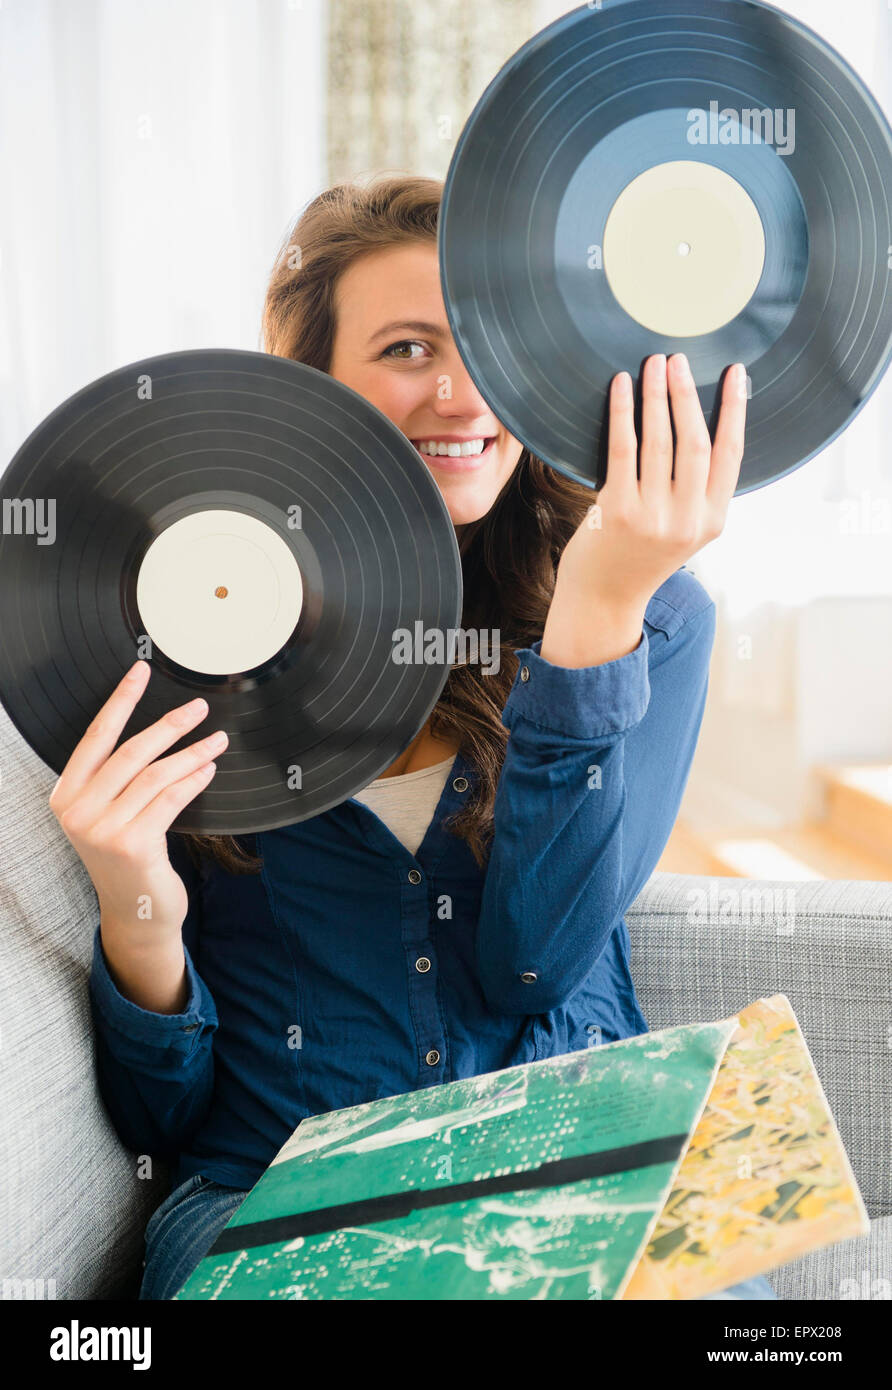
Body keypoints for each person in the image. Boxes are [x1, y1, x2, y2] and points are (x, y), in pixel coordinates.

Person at [51, 175, 774, 1301]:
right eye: (403, 347)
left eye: (486, 343)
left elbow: (531, 956)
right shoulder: (183, 627)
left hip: (572, 1168)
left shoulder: (653, 614)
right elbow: (160, 1121)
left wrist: (591, 625)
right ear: (312, 391)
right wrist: (133, 893)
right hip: (280, 1193)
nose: (458, 390)